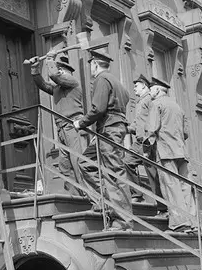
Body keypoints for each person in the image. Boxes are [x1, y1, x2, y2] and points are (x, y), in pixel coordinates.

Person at [73, 49, 132, 231]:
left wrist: (80, 123)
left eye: (91, 64)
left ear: (95, 64)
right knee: (85, 163)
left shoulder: (101, 79)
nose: (90, 68)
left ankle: (122, 220)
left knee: (113, 172)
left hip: (108, 130)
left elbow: (98, 108)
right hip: (114, 128)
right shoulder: (118, 83)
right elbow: (126, 100)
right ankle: (104, 203)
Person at [144, 77, 195, 233]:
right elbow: (185, 132)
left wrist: (146, 150)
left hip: (166, 151)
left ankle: (179, 223)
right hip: (181, 151)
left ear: (158, 90)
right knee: (185, 187)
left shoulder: (156, 104)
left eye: (151, 90)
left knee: (171, 187)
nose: (150, 92)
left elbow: (152, 129)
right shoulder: (177, 106)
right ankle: (192, 223)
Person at [30, 51, 85, 195]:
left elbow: (54, 76)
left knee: (77, 161)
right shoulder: (58, 88)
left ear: (66, 72)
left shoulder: (72, 82)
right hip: (61, 128)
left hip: (72, 125)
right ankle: (74, 194)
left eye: (60, 70)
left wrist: (49, 60)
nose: (57, 72)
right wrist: (35, 69)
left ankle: (87, 194)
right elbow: (42, 84)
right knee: (65, 164)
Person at [125, 74, 158, 203]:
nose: (134, 89)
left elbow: (153, 120)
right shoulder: (140, 102)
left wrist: (150, 140)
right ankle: (137, 194)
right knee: (127, 162)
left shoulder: (149, 99)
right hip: (138, 142)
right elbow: (137, 123)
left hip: (147, 142)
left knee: (152, 174)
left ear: (144, 85)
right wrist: (126, 129)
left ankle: (162, 207)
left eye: (136, 86)